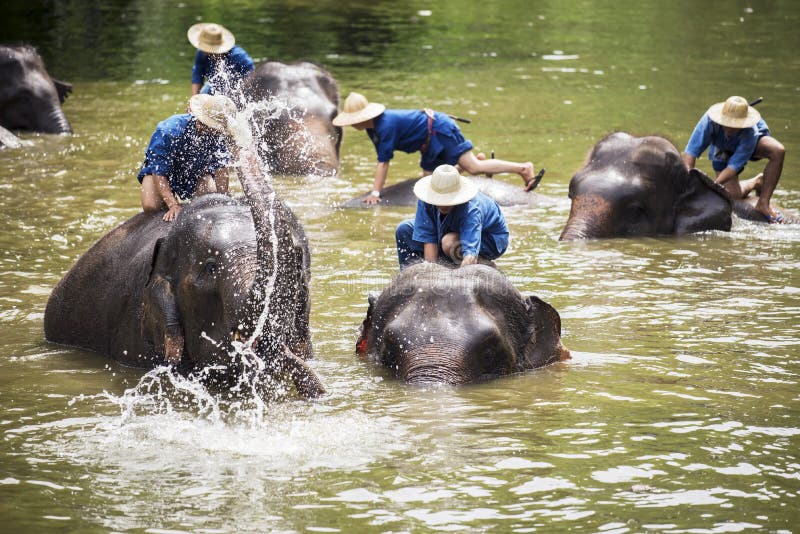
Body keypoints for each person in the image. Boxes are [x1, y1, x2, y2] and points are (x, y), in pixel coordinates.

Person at [332, 92, 540, 205]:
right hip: (427, 143)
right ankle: (462, 163)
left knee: (475, 167)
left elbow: (383, 163)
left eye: (353, 120)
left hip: (438, 129)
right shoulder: (373, 128)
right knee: (430, 180)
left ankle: (523, 168)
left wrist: (376, 193)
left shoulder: (384, 126)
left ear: (364, 117)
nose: (352, 125)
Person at [682, 95, 786, 223]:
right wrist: (687, 180)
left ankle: (763, 202)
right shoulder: (708, 122)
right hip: (723, 148)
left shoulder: (750, 132)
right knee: (732, 196)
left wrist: (712, 186)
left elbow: (733, 167)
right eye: (726, 124)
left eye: (734, 125)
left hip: (752, 146)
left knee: (778, 150)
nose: (730, 128)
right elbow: (691, 153)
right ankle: (756, 181)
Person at [138, 94, 235, 221]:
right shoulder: (168, 130)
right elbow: (158, 171)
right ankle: (171, 202)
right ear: (201, 122)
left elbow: (221, 167)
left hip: (196, 171)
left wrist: (222, 198)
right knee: (151, 206)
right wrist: (172, 204)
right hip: (160, 173)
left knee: (211, 200)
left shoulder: (217, 134)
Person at [395, 164, 509, 270]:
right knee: (404, 229)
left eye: (446, 199)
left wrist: (462, 276)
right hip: (447, 229)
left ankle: (483, 263)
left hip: (488, 238)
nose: (442, 205)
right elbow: (428, 238)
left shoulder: (471, 209)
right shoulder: (426, 200)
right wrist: (431, 272)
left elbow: (470, 255)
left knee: (448, 242)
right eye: (438, 199)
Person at [188, 23, 255, 96]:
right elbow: (197, 75)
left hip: (236, 90)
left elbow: (252, 77)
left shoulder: (238, 56)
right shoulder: (201, 53)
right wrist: (194, 99)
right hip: (213, 86)